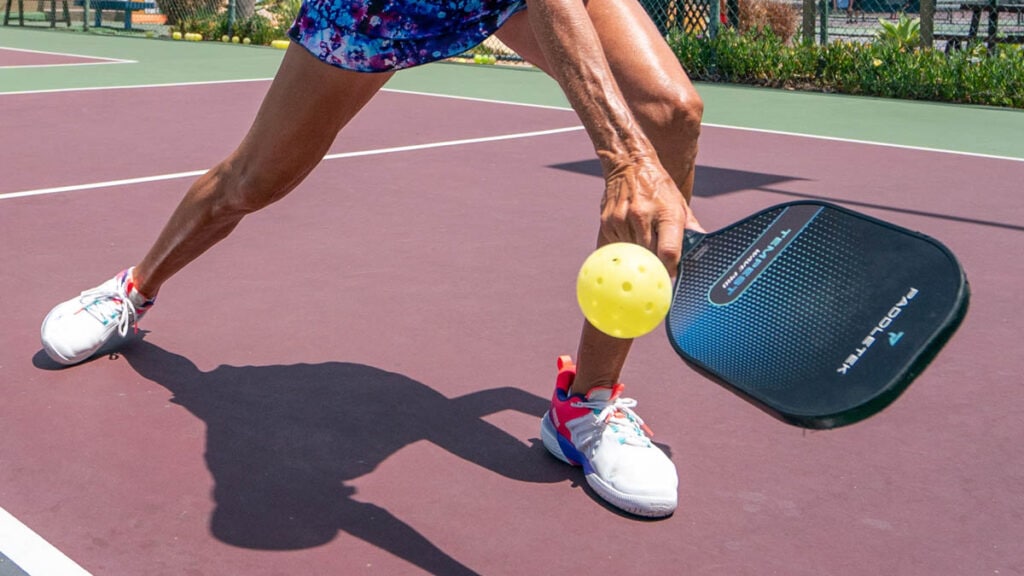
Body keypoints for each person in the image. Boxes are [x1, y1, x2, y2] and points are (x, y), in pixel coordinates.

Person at [40, 0, 704, 518]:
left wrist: (639, 153)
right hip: (379, 9)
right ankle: (132, 289)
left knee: (668, 111)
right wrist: (625, 157)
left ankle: (583, 406)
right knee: (251, 182)